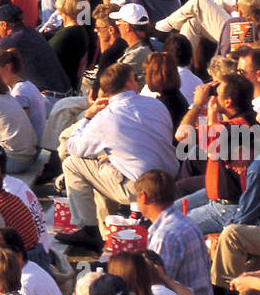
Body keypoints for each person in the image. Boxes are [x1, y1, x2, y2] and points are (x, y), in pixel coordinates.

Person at [55, 64, 177, 253]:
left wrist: (88, 116)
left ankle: (89, 229)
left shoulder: (106, 117)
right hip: (168, 176)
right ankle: (103, 226)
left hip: (138, 186)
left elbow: (73, 147)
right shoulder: (156, 104)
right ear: (129, 82)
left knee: (72, 163)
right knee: (104, 164)